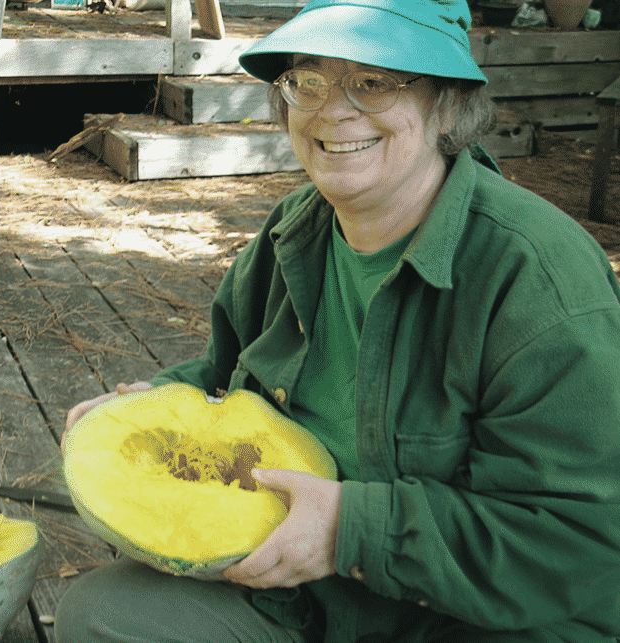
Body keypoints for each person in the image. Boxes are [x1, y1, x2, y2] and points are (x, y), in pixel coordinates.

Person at [55, 0, 620, 641]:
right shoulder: (295, 230)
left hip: (471, 624)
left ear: (448, 103)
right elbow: (224, 376)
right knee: (103, 614)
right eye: (310, 79)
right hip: (313, 601)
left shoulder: (537, 278)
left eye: (374, 81)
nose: (334, 109)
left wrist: (348, 530)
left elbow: (579, 545)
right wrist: (152, 407)